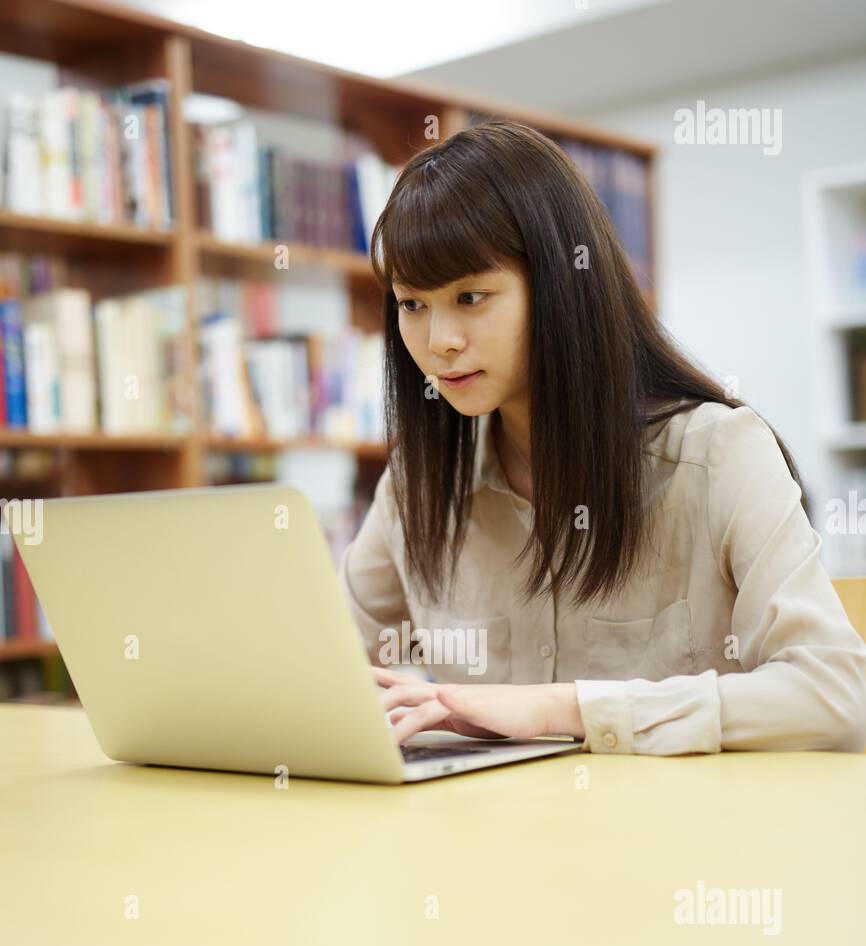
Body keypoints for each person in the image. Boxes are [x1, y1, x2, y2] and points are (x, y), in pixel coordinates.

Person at [337, 118, 866, 755]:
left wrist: (564, 708)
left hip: (691, 844)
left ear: (563, 284)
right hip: (482, 843)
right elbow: (320, 670)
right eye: (412, 304)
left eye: (471, 297)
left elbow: (840, 697)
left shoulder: (720, 455)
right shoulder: (417, 489)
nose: (438, 341)